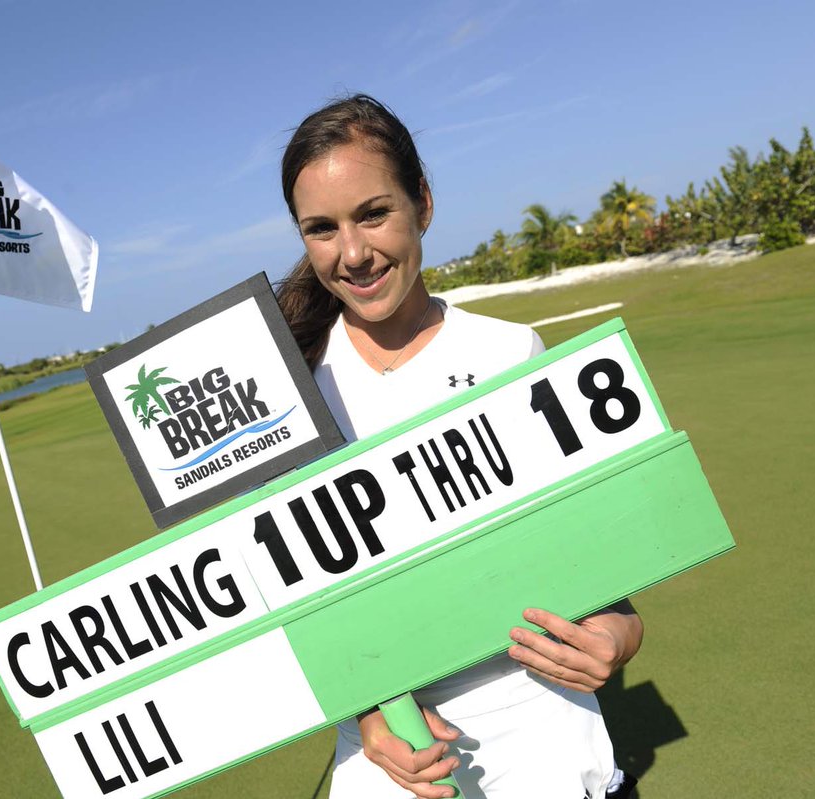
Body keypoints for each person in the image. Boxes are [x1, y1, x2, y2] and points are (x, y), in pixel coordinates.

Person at [275, 94, 644, 799]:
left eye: (373, 213)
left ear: (423, 203)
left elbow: (595, 569)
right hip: (389, 765)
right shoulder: (286, 398)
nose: (352, 253)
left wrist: (615, 637)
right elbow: (292, 607)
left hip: (544, 739)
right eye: (321, 228)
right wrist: (368, 716)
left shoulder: (511, 351)